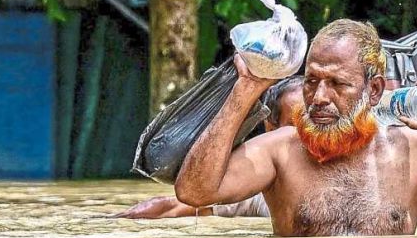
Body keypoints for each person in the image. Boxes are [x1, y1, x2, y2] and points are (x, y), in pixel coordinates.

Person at [173, 19, 417, 236]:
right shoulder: (281, 151)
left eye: (337, 84)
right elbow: (193, 192)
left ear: (374, 89)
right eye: (311, 81)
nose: (318, 97)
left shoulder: (415, 153)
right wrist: (245, 90)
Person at [116, 77, 305, 219]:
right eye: (296, 127)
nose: (308, 135)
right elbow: (175, 206)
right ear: (271, 128)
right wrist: (111, 222)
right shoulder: (260, 188)